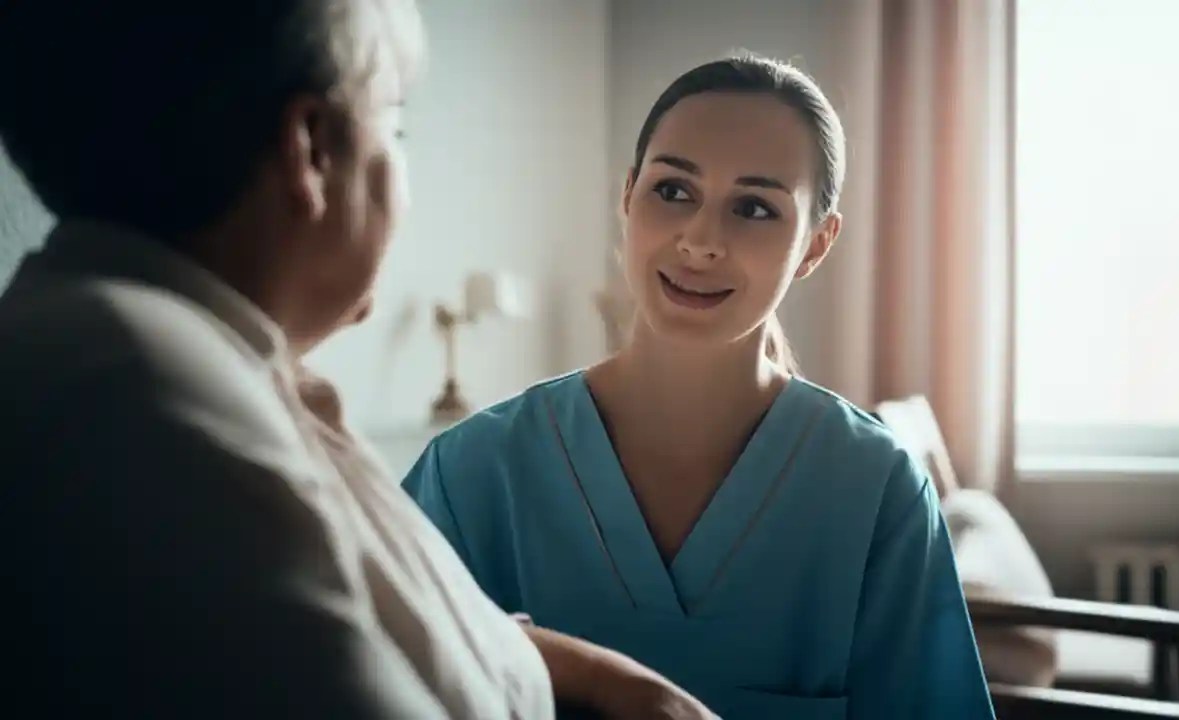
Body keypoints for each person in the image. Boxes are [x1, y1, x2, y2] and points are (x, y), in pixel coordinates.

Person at [0, 2, 715, 718]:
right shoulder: (139, 403)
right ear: (311, 150)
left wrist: (615, 683)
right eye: (394, 127)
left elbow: (419, 626)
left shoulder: (193, 365)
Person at [403, 55, 997, 719]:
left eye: (754, 208)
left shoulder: (876, 490)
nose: (702, 241)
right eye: (673, 191)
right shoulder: (471, 476)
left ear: (816, 245)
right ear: (627, 197)